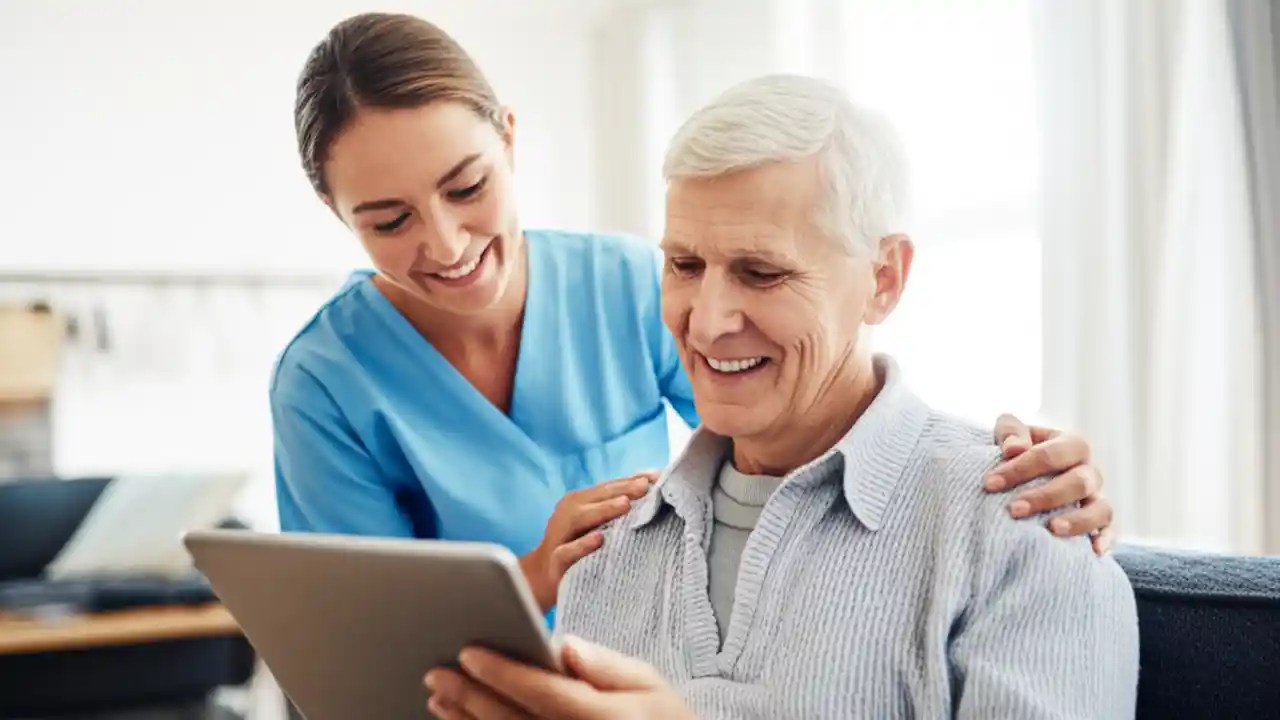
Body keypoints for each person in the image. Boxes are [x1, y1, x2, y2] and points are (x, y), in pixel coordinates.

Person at [271, 12, 1115, 616]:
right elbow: (354, 643)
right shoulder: (327, 382)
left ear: (511, 140)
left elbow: (805, 411)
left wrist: (986, 478)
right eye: (389, 221)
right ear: (336, 214)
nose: (448, 242)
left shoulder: (630, 284)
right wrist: (529, 579)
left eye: (468, 187)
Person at [422, 75, 1140, 719]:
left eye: (761, 272)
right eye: (684, 264)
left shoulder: (1026, 528)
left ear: (883, 278)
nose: (705, 322)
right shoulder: (607, 551)